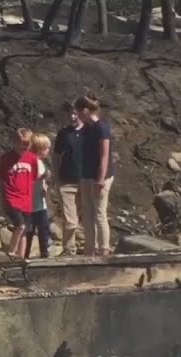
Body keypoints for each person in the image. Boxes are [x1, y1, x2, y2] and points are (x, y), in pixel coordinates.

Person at [75, 93, 117, 256]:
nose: (77, 115)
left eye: (78, 112)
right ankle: (90, 248)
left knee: (99, 212)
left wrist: (100, 179)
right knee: (87, 212)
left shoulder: (101, 127)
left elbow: (104, 155)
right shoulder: (86, 129)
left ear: (85, 110)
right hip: (86, 174)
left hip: (101, 175)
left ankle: (104, 248)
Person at [0, 128, 38, 258]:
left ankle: (21, 256)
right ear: (15, 142)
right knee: (20, 225)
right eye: (23, 142)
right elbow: (1, 178)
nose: (26, 146)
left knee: (25, 229)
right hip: (11, 197)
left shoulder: (32, 158)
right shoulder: (6, 158)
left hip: (26, 198)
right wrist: (4, 197)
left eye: (28, 143)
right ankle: (11, 252)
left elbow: (34, 177)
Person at [52, 106, 85, 255]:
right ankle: (69, 249)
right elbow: (56, 156)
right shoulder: (63, 133)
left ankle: (84, 246)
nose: (72, 117)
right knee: (70, 220)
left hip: (85, 181)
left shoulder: (89, 132)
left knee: (86, 217)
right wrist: (56, 176)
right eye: (70, 113)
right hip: (66, 182)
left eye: (75, 114)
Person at [25, 134, 54, 259]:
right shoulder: (31, 162)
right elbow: (29, 180)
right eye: (46, 148)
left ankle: (44, 253)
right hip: (30, 204)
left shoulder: (40, 163)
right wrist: (41, 178)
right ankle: (24, 255)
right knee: (29, 231)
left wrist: (45, 185)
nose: (48, 151)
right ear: (39, 149)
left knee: (43, 229)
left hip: (40, 203)